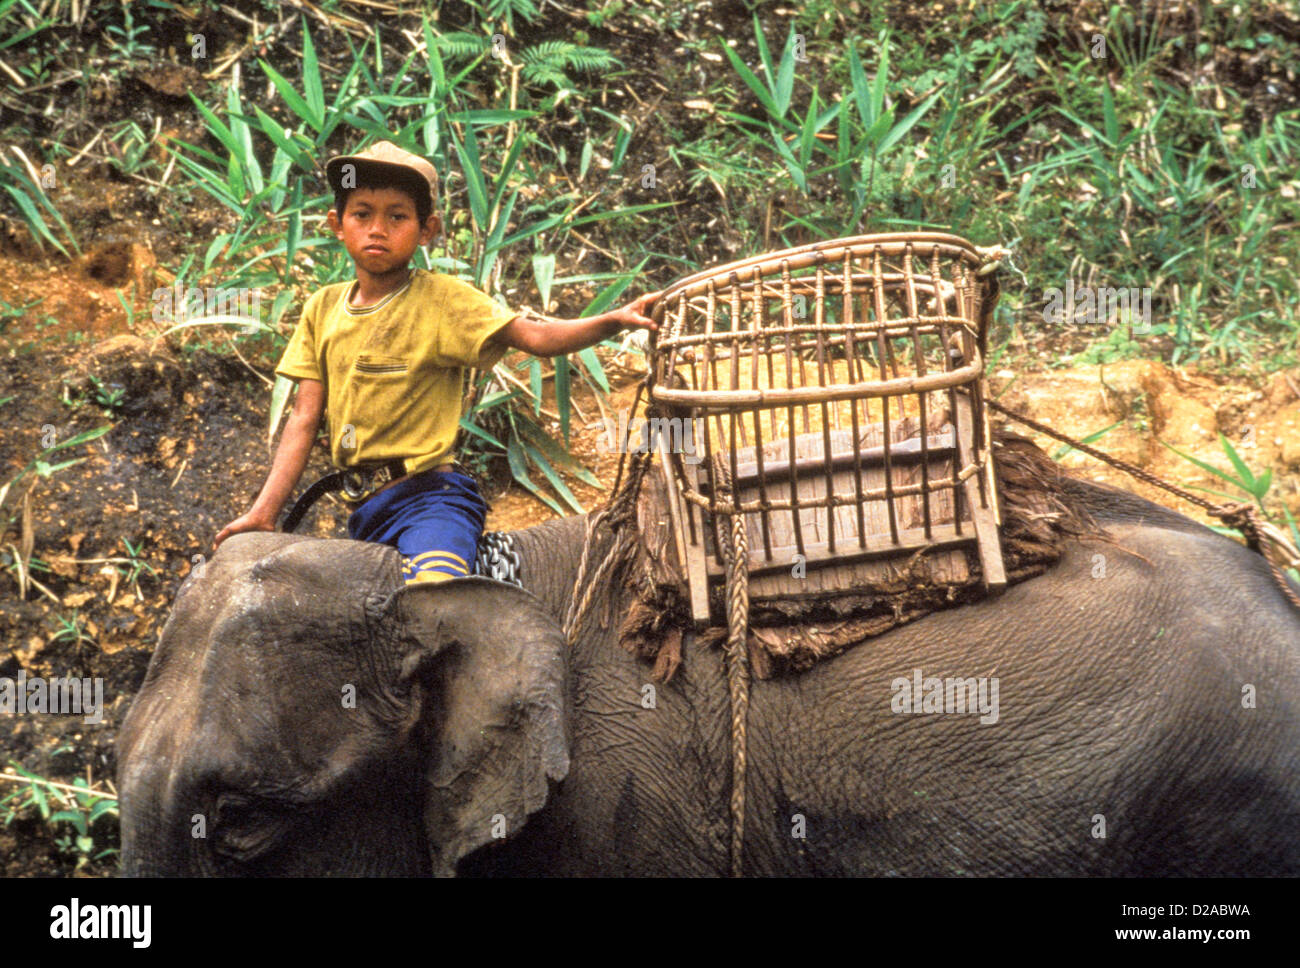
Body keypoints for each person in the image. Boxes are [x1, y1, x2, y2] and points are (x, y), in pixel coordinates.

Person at [214, 140, 657, 583]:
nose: (377, 229)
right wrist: (264, 513)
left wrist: (613, 321)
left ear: (427, 230)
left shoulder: (443, 300)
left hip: (430, 502)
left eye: (397, 217)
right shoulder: (321, 308)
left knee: (435, 598)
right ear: (337, 223)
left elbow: (536, 336)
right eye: (362, 213)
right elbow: (303, 419)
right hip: (365, 511)